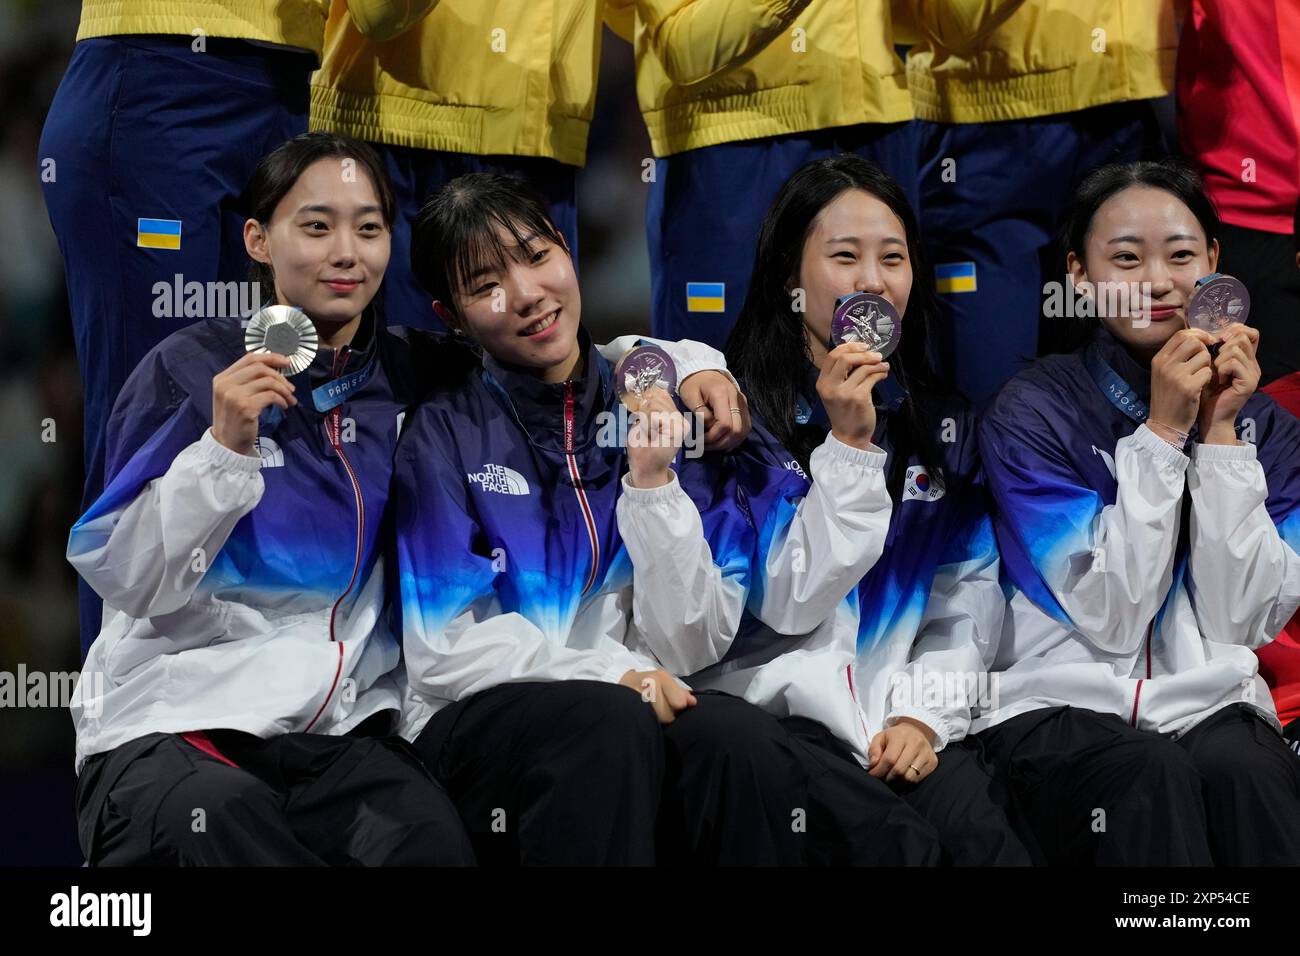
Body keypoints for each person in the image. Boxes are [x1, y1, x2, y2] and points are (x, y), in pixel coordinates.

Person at [67, 132, 742, 866]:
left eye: (369, 227)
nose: (346, 253)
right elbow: (127, 579)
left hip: (343, 738)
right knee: (224, 828)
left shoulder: (418, 371)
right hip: (177, 724)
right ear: (259, 239)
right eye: (317, 226)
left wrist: (685, 365)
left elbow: (564, 348)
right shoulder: (190, 367)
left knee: (430, 845)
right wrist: (220, 453)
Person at [395, 171, 839, 865]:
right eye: (485, 286)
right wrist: (611, 674)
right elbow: (444, 649)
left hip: (636, 691)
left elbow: (690, 646)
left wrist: (653, 483)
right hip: (477, 712)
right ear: (449, 315)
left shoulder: (654, 404)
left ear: (567, 251)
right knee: (606, 725)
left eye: (537, 256)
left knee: (741, 740)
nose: (527, 295)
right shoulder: (441, 434)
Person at [976, 159, 1300, 865]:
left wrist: (1218, 439)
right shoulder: (1032, 410)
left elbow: (1240, 620)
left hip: (1211, 704)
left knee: (1248, 773)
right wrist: (1159, 433)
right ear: (1080, 274)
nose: (1158, 280)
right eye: (1125, 258)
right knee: (1149, 774)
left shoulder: (1268, 429)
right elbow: (1111, 615)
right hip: (1056, 706)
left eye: (1182, 255)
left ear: (1215, 263)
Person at [715, 154, 1029, 865]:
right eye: (844, 256)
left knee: (989, 847)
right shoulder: (736, 417)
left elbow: (967, 599)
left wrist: (923, 714)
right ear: (790, 277)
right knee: (900, 849)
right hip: (775, 723)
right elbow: (787, 605)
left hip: (900, 723)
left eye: (892, 258)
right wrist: (849, 445)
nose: (872, 282)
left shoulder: (943, 426)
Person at [899, 0, 1175, 403]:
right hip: (982, 124)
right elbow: (955, 21)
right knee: (988, 401)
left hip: (1128, 108)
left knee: (1135, 399)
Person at [605, 0, 917, 351]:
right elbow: (683, 48)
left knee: (879, 381)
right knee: (718, 381)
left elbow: (950, 29)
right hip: (726, 129)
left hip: (875, 113)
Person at [311, 0, 604, 331]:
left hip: (536, 137)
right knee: (390, 369)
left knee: (543, 369)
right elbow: (378, 15)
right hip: (392, 126)